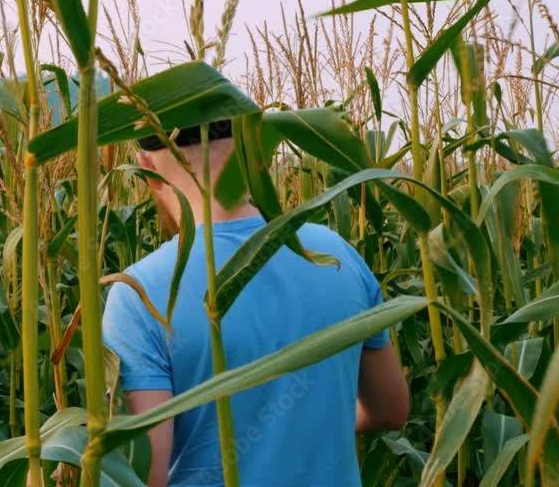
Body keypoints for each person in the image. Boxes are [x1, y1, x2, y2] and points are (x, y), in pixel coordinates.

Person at [103, 119, 410, 487]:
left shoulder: (138, 293)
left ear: (147, 169)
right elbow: (391, 409)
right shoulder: (336, 254)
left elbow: (143, 475)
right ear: (250, 152)